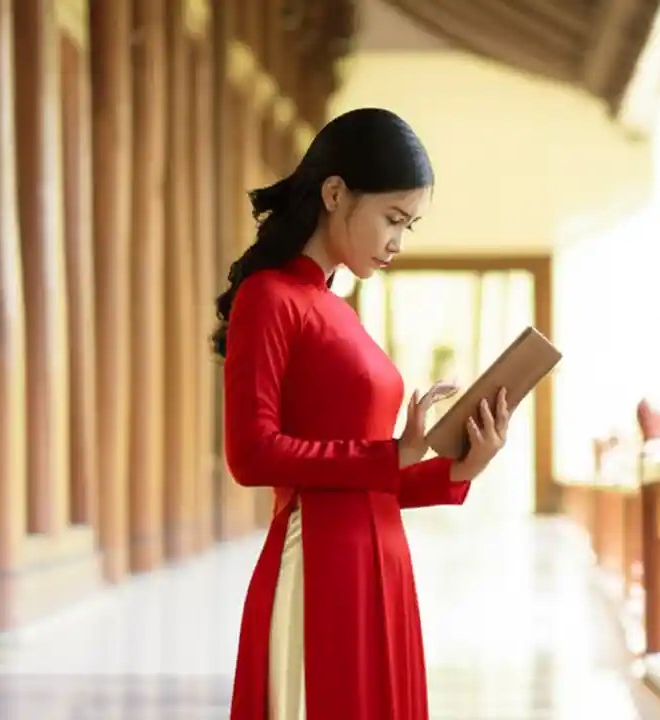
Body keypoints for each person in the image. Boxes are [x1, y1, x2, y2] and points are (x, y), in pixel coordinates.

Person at [214, 107, 509, 720]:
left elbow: (372, 483)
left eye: (410, 225)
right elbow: (251, 454)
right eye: (392, 219)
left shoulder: (338, 309)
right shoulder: (269, 299)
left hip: (380, 563)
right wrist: (389, 453)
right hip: (321, 571)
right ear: (334, 193)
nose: (398, 241)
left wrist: (460, 468)